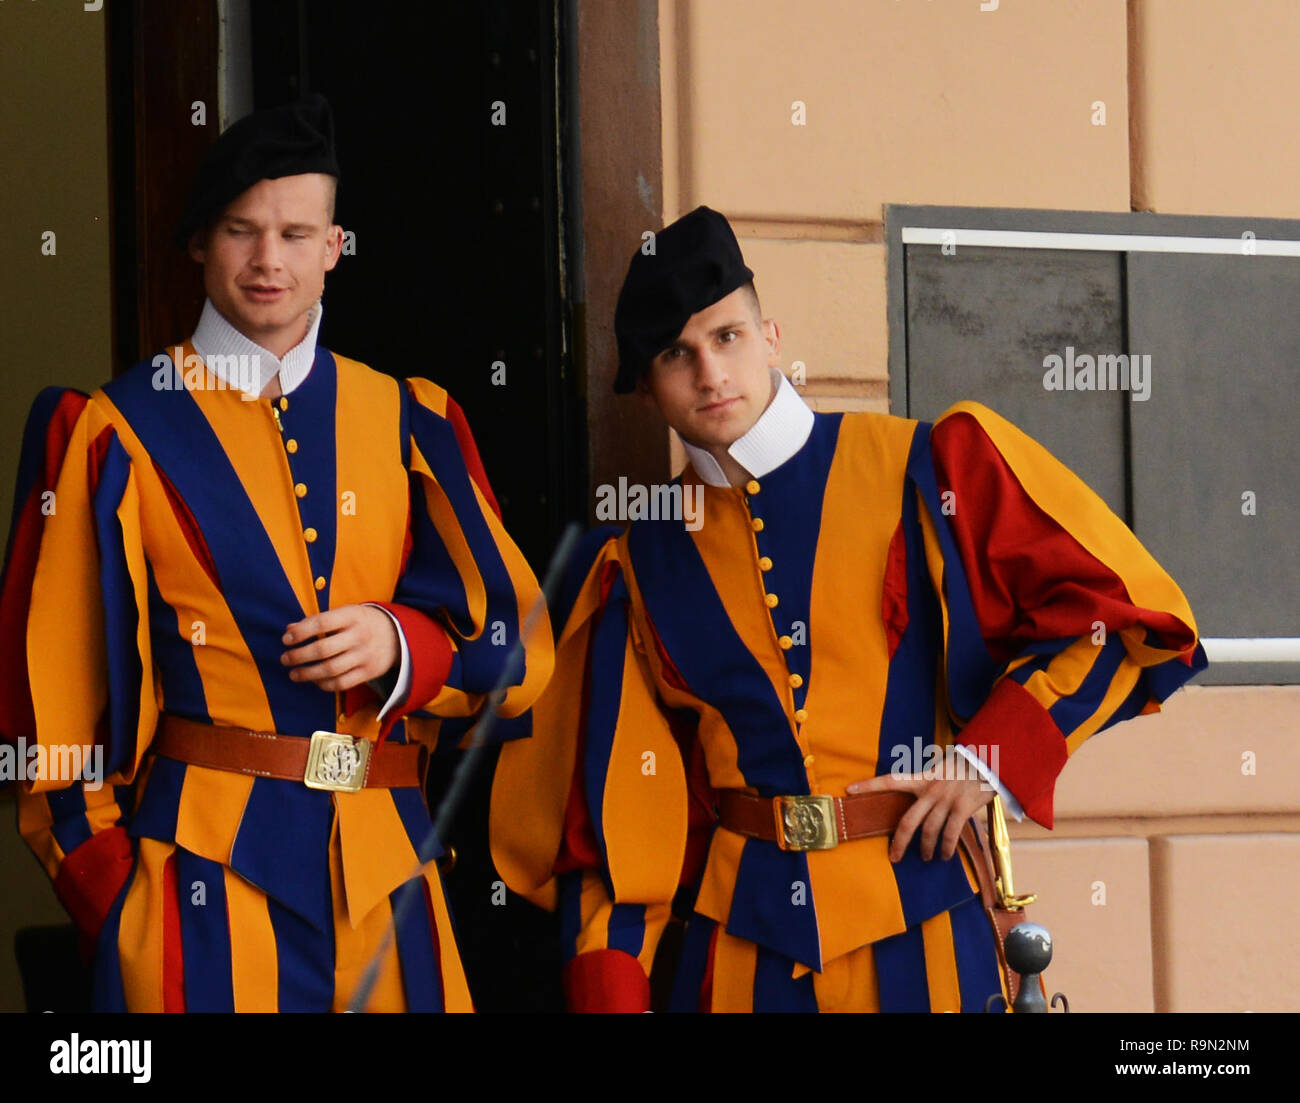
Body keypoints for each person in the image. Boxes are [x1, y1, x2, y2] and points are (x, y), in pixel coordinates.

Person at [489, 205, 1206, 1013]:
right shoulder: (633, 562)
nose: (711, 373)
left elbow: (1127, 617)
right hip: (736, 954)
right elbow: (614, 828)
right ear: (650, 390)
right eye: (675, 355)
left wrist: (988, 760)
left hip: (929, 921)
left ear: (771, 337)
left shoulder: (929, 464)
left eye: (726, 337)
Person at [0, 95, 553, 1012]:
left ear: (335, 246)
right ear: (197, 243)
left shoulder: (412, 417)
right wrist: (123, 910)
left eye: (297, 233)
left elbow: (523, 645)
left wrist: (404, 644)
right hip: (197, 891)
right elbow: (43, 723)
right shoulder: (112, 431)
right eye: (240, 230)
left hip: (392, 889)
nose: (269, 260)